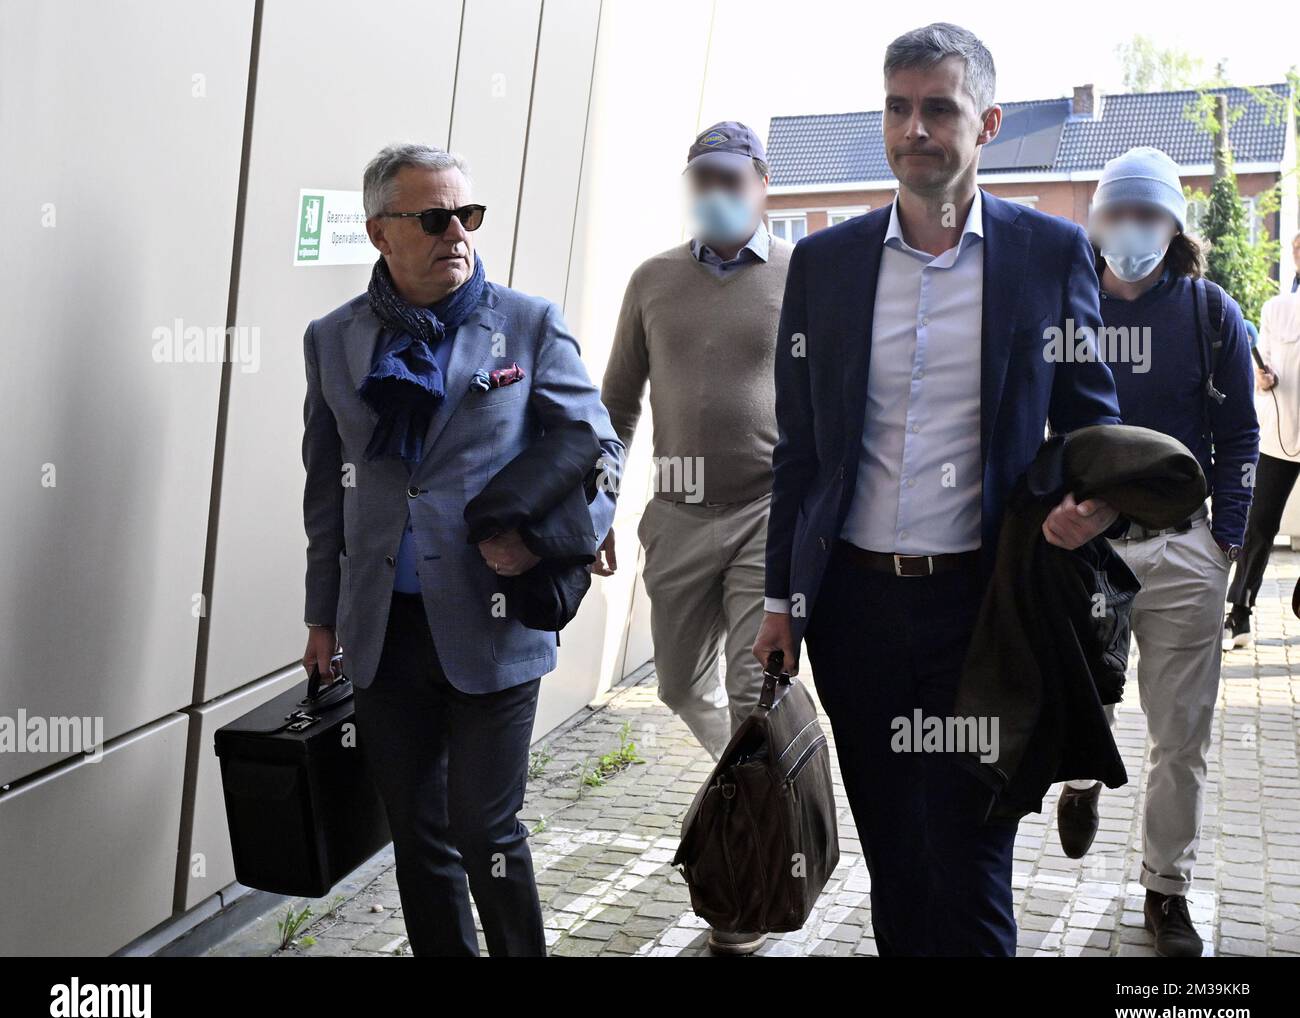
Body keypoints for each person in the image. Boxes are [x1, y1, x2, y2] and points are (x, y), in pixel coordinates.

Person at [752, 22, 1123, 957]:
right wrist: (778, 599)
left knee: (967, 860)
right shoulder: (826, 267)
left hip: (983, 610)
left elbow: (1090, 422)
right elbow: (799, 451)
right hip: (854, 610)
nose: (914, 128)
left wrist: (1097, 502)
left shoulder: (1047, 254)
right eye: (897, 107)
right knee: (896, 859)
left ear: (987, 123)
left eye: (938, 109)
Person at [300, 143, 623, 957]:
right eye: (434, 218)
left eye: (467, 216)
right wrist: (320, 616)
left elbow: (599, 450)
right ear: (381, 233)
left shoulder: (525, 323)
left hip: (493, 616)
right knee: (418, 833)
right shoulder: (333, 339)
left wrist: (556, 541)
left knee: (486, 827)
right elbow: (325, 491)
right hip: (382, 628)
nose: (458, 234)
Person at [1054, 147, 1258, 958]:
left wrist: (1228, 535)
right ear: (1097, 221)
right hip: (1090, 553)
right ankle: (1079, 776)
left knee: (1181, 735)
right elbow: (1040, 429)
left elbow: (1241, 432)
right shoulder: (1068, 311)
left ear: (1174, 225)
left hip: (1183, 552)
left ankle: (1165, 890)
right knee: (1082, 700)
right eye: (1117, 212)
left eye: (1149, 213)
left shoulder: (1212, 315)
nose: (1131, 228)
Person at [600, 121, 795, 956]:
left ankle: (746, 897)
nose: (715, 190)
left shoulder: (803, 274)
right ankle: (777, 769)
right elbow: (614, 407)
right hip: (677, 516)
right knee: (680, 687)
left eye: (731, 176)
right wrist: (594, 510)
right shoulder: (653, 280)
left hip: (766, 512)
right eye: (701, 177)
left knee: (756, 696)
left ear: (762, 184)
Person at [1225, 287, 1300, 647]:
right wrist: (1263, 378)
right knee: (1259, 526)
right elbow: (1261, 368)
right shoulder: (1278, 309)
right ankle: (1239, 615)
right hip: (1278, 436)